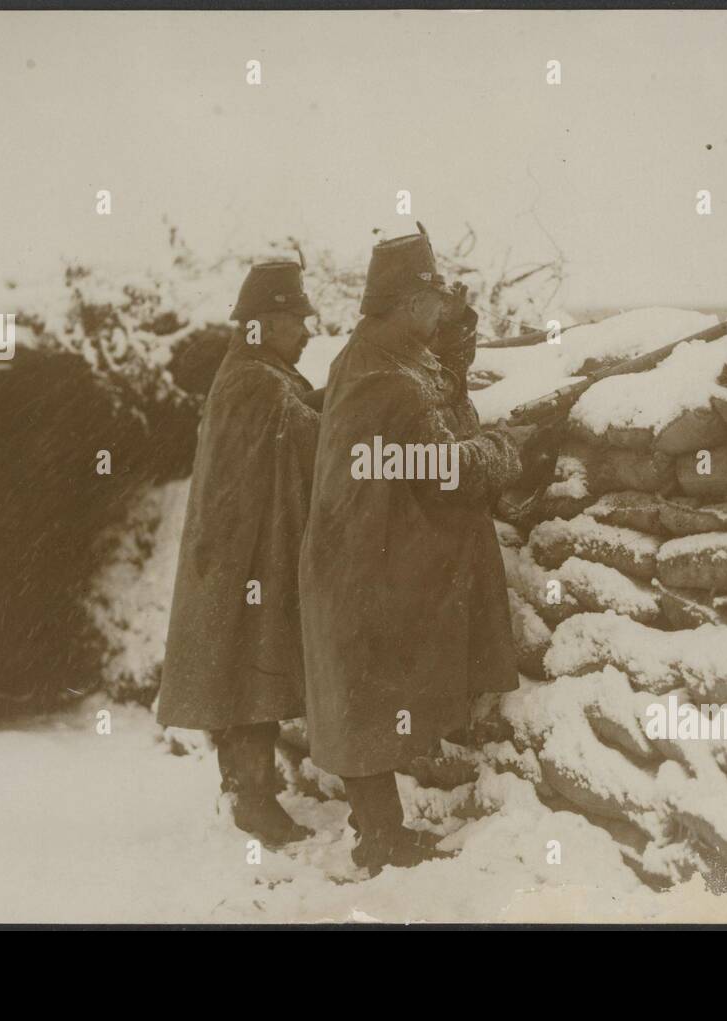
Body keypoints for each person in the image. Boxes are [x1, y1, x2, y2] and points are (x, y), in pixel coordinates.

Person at [299, 229, 523, 876]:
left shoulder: (368, 357)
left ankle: (379, 834)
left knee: (361, 700)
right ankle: (381, 841)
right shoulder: (387, 378)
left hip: (354, 556)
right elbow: (443, 467)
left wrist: (449, 363)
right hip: (362, 563)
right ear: (404, 303)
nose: (440, 309)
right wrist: (506, 449)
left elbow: (422, 402)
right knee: (364, 703)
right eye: (431, 298)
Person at [159, 260, 321, 847]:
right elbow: (311, 437)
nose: (307, 332)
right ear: (267, 323)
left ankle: (245, 793)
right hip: (246, 558)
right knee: (252, 674)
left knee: (243, 672)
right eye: (298, 321)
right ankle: (255, 802)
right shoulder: (259, 381)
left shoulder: (253, 372)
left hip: (236, 553)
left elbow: (300, 421)